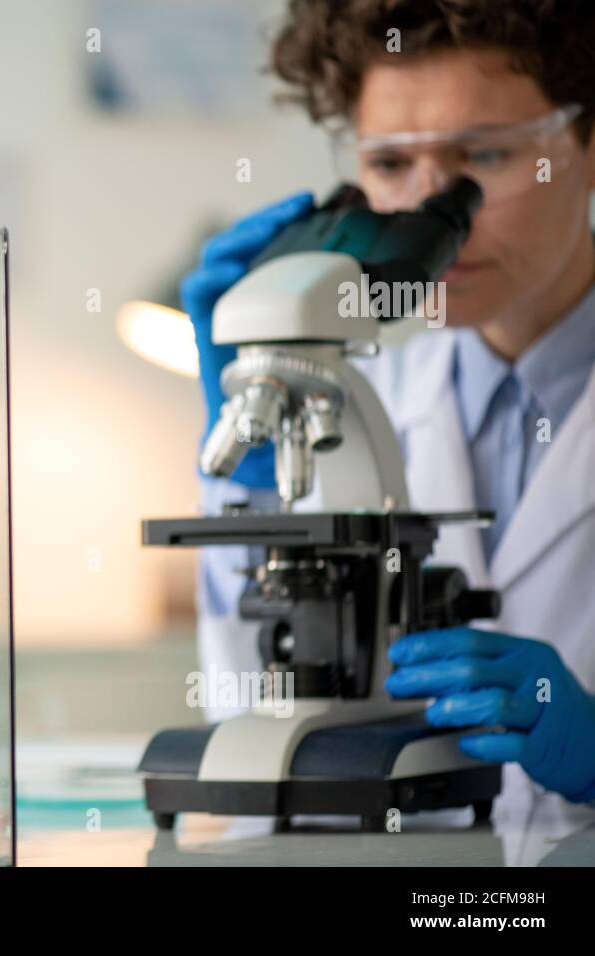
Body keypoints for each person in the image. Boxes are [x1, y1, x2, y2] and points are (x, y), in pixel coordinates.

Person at [186, 0, 595, 863]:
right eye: (389, 163)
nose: (433, 204)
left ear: (585, 144)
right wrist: (256, 486)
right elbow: (247, 720)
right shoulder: (341, 406)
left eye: (484, 155)